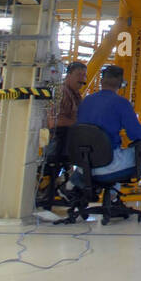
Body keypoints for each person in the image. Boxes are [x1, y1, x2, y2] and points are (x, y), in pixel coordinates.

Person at [76, 64, 141, 220]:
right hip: (109, 164)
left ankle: (114, 199)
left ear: (102, 82)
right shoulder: (121, 103)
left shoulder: (86, 102)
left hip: (85, 166)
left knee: (119, 152)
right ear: (120, 83)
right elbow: (135, 133)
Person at [38, 62, 87, 208]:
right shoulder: (60, 92)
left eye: (84, 75)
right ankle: (67, 187)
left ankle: (71, 187)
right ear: (69, 74)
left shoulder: (76, 95)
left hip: (69, 141)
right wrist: (77, 122)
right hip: (58, 141)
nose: (83, 79)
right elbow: (53, 122)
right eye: (79, 75)